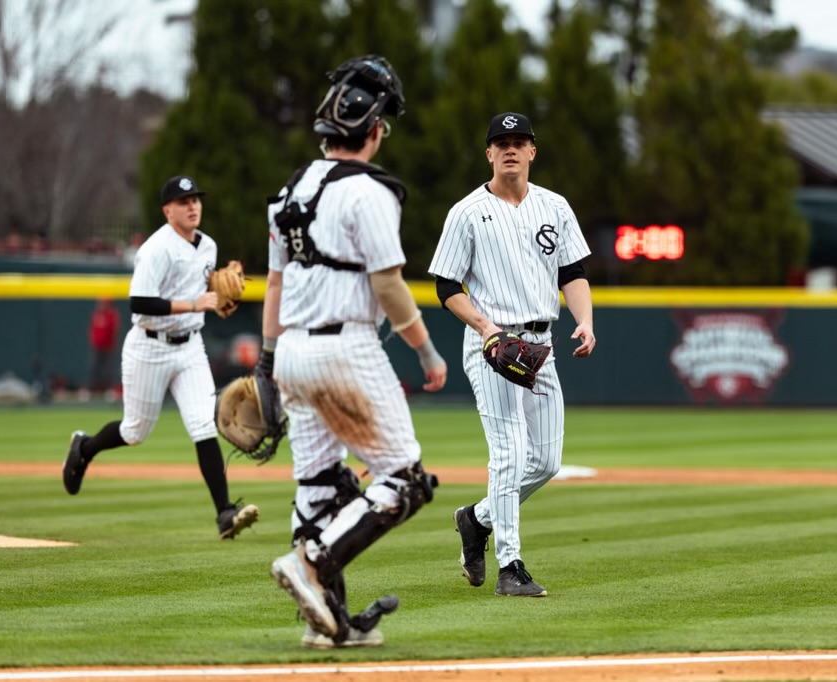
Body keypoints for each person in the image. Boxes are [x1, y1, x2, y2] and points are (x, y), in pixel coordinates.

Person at [263, 55, 447, 649]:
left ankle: (332, 624)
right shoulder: (370, 192)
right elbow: (388, 284)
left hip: (291, 347)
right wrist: (425, 350)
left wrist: (268, 367)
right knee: (405, 479)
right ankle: (311, 565)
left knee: (318, 486)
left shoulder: (289, 189)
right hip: (345, 349)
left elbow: (274, 284)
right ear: (373, 132)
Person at [428, 112, 596, 597]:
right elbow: (445, 285)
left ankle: (475, 519)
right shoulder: (466, 212)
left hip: (541, 345)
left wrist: (585, 320)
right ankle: (510, 566)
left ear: (532, 151)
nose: (510, 149)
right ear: (488, 154)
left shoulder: (555, 206)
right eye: (501, 142)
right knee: (509, 454)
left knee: (545, 461)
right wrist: (485, 328)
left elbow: (573, 272)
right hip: (493, 345)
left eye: (519, 141)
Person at [62, 176, 260, 540]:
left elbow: (198, 287)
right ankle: (84, 447)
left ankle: (224, 513)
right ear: (167, 210)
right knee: (135, 431)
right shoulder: (156, 249)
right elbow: (139, 302)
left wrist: (219, 292)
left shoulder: (209, 246)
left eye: (196, 199)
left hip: (189, 347)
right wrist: (194, 302)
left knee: (203, 424)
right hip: (149, 347)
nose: (193, 206)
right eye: (183, 201)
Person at [87, 297, 119, 396]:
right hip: (97, 348)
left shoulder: (112, 314)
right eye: (100, 302)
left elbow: (114, 331)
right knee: (94, 369)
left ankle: (109, 390)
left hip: (108, 348)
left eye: (104, 303)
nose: (101, 305)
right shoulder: (96, 314)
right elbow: (91, 329)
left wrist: (112, 344)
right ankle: (92, 390)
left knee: (108, 370)